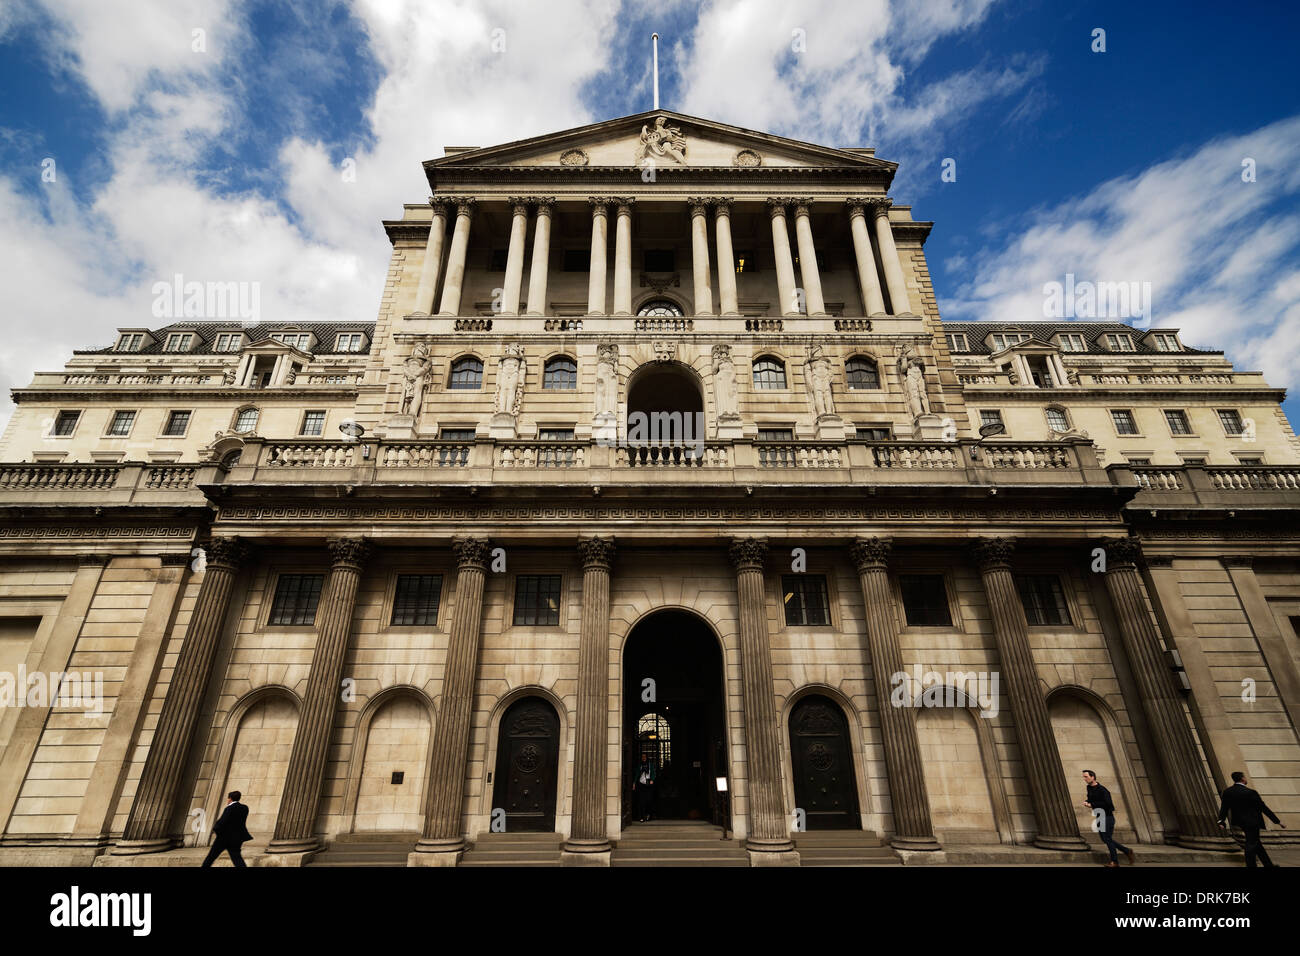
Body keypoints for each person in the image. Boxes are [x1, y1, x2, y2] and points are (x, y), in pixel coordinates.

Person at [1218, 771, 1285, 867]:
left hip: (1240, 821)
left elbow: (1224, 807)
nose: (1246, 778)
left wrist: (1221, 820)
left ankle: (1268, 865)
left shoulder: (1228, 792)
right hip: (1253, 822)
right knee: (1251, 843)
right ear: (1242, 779)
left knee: (1256, 843)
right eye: (1245, 777)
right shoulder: (1251, 792)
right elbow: (1263, 808)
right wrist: (1278, 821)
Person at [1082, 770, 1135, 867]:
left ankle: (1115, 862)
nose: (1084, 779)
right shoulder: (1089, 788)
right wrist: (1087, 801)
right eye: (1084, 777)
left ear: (1092, 777)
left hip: (1107, 817)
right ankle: (1127, 851)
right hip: (1099, 817)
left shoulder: (1103, 790)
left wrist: (1092, 804)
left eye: (1086, 776)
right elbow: (1091, 798)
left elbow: (1109, 804)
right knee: (1106, 839)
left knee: (1107, 839)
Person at [202, 790, 253, 867]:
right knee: (237, 858)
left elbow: (221, 822)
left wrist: (218, 832)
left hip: (223, 838)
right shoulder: (245, 808)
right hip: (237, 838)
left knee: (211, 857)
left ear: (230, 798)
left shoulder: (229, 808)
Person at [633, 755, 657, 823]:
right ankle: (642, 817)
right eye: (642, 757)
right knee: (641, 801)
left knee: (649, 800)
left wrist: (652, 779)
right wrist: (634, 783)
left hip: (648, 785)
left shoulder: (650, 765)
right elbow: (637, 774)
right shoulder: (640, 765)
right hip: (641, 785)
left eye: (644, 757)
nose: (643, 758)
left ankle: (648, 815)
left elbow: (653, 773)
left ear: (646, 758)